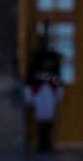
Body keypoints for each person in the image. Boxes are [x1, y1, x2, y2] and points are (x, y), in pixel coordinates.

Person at [24, 25, 63, 154]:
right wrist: (28, 88)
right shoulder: (34, 57)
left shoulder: (54, 57)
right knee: (40, 115)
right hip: (38, 89)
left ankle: (48, 141)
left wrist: (58, 86)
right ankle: (41, 142)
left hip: (50, 89)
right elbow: (31, 74)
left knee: (49, 115)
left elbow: (57, 74)